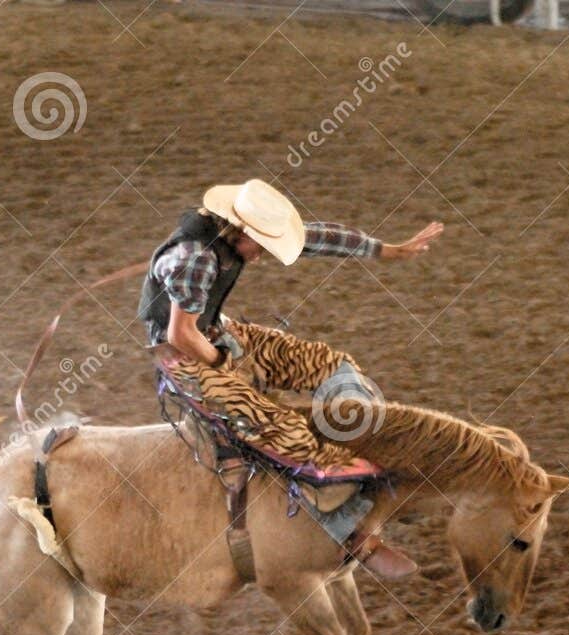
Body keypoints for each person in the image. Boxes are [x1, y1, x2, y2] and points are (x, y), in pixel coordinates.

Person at [138, 178, 443, 576]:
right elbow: (181, 334)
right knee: (283, 431)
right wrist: (224, 364)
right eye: (261, 247)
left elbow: (315, 238)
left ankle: (369, 459)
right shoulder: (196, 260)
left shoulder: (225, 240)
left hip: (214, 332)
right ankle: (353, 534)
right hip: (183, 352)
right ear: (240, 230)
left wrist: (387, 250)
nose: (263, 257)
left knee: (326, 364)